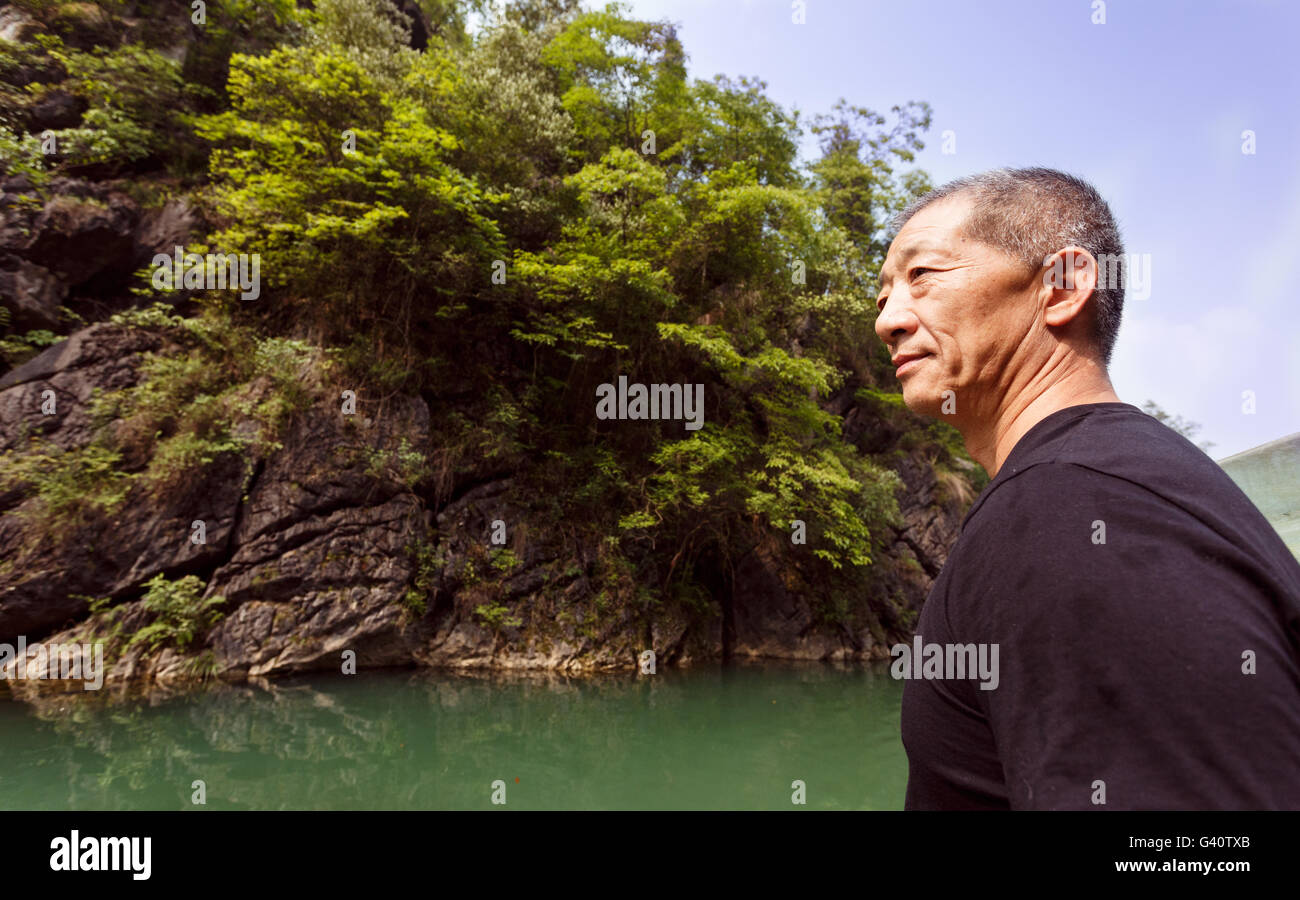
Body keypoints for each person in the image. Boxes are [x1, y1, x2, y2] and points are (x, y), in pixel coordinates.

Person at [874, 167, 1300, 810]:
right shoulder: (1107, 484)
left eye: (922, 275)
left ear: (1063, 286)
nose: (888, 321)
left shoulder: (1073, 510)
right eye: (882, 296)